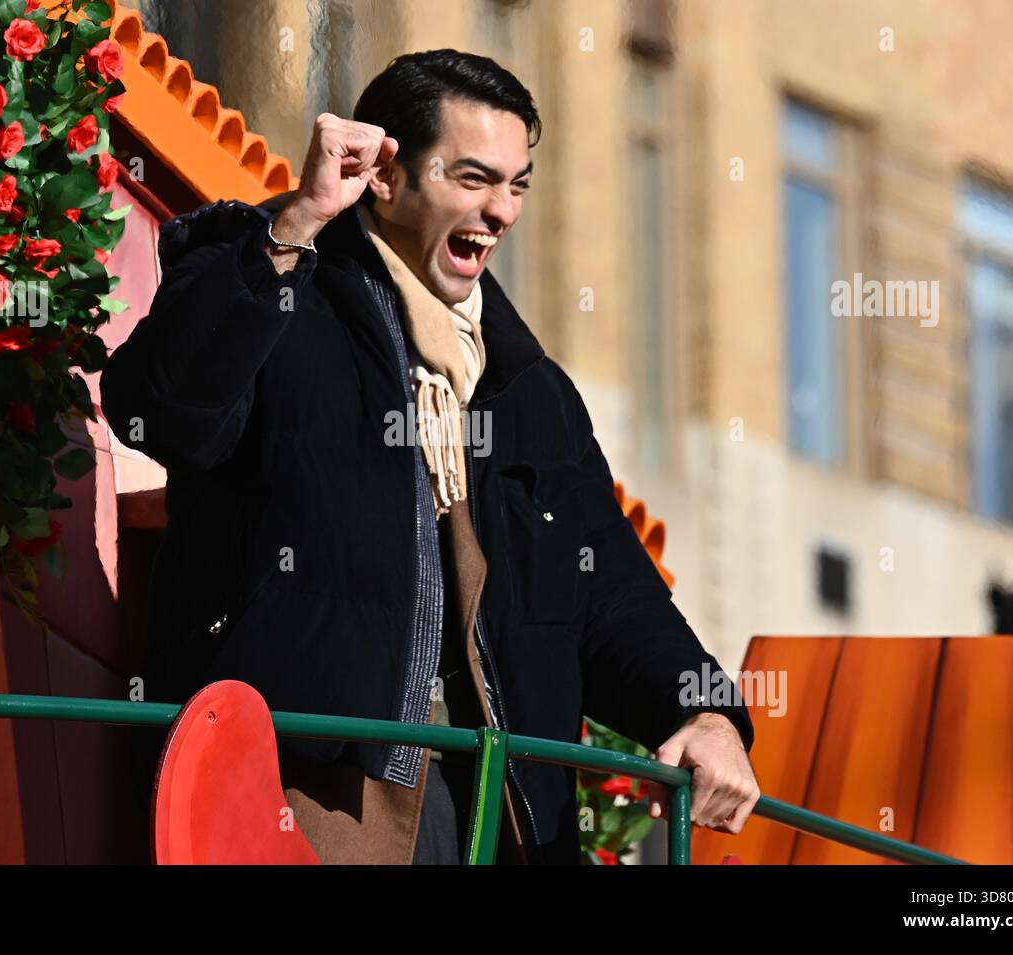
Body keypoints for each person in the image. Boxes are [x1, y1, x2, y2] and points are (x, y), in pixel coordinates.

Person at [103, 49, 759, 865]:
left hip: (496, 808)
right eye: (475, 178)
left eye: (517, 184)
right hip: (305, 784)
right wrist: (298, 220)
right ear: (384, 176)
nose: (502, 210)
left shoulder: (530, 391)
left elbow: (611, 593)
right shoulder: (276, 290)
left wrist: (706, 713)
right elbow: (156, 410)